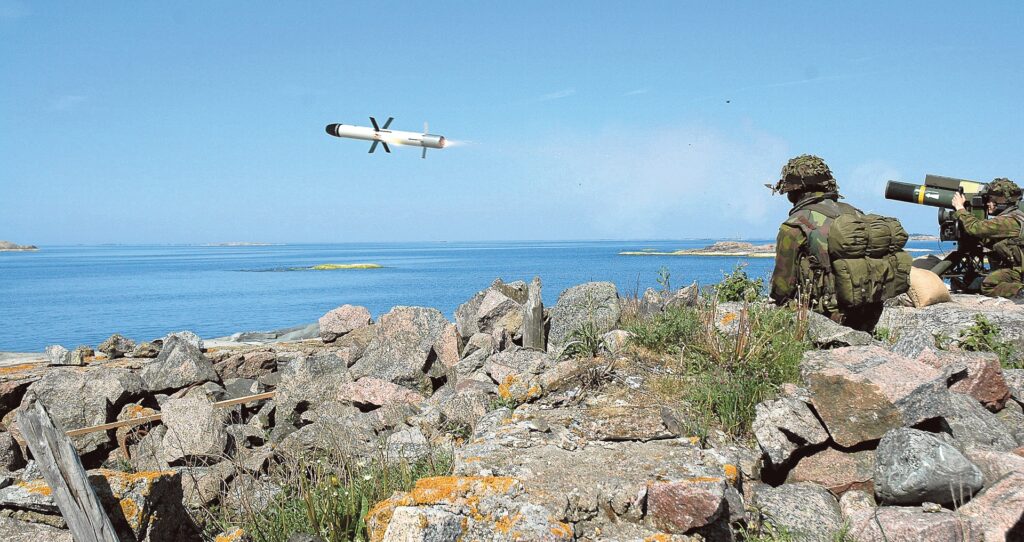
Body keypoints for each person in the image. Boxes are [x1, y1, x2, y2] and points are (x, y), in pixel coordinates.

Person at [768, 155, 890, 331]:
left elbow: (781, 289)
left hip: (828, 318)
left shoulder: (795, 225)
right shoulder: (855, 213)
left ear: (793, 191)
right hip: (869, 314)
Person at [952, 178, 1024, 297]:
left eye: (990, 200)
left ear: (1000, 202)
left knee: (988, 285)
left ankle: (1019, 290)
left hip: (1019, 271)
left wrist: (960, 208)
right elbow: (989, 239)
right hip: (1019, 267)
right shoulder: (1017, 216)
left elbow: (975, 228)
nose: (987, 204)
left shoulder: (1007, 221)